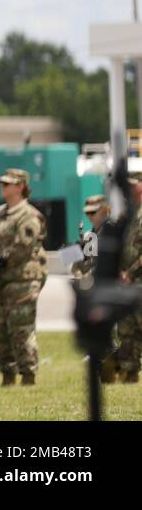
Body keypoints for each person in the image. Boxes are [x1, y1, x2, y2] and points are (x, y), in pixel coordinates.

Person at [0, 168, 48, 386]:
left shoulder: (29, 215)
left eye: (8, 184)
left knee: (21, 330)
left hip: (22, 281)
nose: (3, 187)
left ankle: (28, 375)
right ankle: (7, 375)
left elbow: (23, 247)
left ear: (20, 187)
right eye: (2, 183)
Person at [113, 162, 142, 384]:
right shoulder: (126, 215)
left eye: (134, 185)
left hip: (138, 279)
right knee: (126, 329)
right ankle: (131, 372)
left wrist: (131, 272)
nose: (130, 189)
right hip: (125, 282)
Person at [70, 195, 110, 281]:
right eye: (87, 213)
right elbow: (73, 268)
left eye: (92, 212)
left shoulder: (112, 233)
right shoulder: (88, 235)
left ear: (104, 210)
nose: (89, 216)